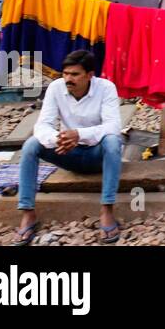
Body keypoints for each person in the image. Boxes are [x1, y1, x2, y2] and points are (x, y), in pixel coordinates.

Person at [15, 50, 123, 245]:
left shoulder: (106, 88)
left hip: (97, 155)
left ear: (90, 75)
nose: (68, 79)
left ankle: (107, 210)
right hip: (68, 152)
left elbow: (113, 126)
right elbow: (42, 125)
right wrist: (59, 139)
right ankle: (27, 213)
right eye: (65, 74)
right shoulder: (56, 88)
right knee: (31, 144)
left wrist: (79, 134)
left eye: (75, 74)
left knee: (113, 141)